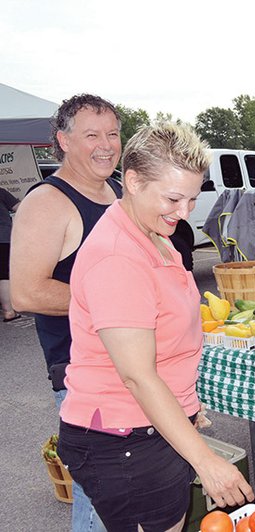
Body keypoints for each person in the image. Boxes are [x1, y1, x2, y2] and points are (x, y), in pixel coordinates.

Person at [56, 122, 254, 531]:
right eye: (173, 198)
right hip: (123, 437)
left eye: (193, 199)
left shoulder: (153, 232)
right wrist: (206, 460)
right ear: (132, 181)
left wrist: (185, 408)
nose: (184, 213)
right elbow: (138, 375)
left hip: (153, 428)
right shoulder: (119, 257)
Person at [10, 94, 124, 531]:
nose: (106, 144)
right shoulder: (48, 202)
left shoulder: (117, 192)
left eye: (112, 133)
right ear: (62, 140)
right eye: (91, 134)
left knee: (133, 490)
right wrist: (114, 303)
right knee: (101, 498)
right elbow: (27, 293)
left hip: (131, 365)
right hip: (84, 374)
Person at [0, 187, 21, 321]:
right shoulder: (1, 192)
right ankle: (9, 311)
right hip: (2, 238)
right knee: (4, 275)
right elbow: (19, 207)